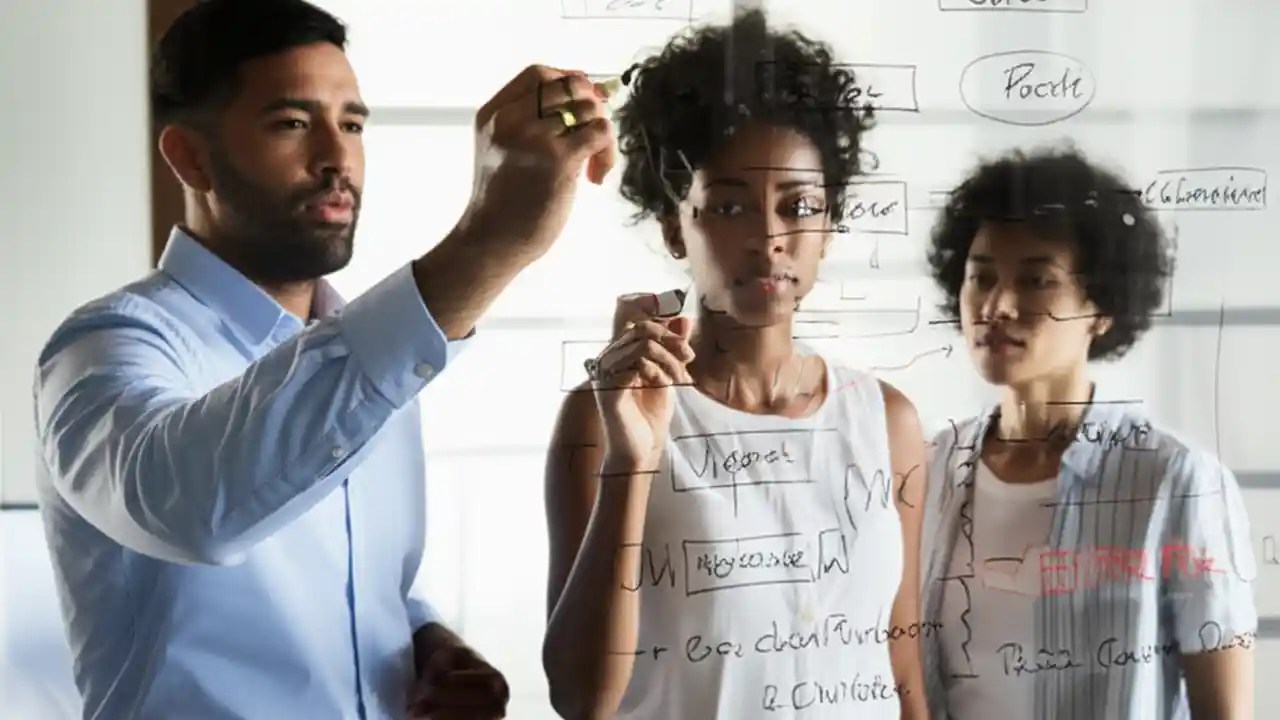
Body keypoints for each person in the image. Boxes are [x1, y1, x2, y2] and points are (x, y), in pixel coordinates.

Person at [31, 0, 617, 718]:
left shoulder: (370, 351)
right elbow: (193, 509)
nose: (337, 160)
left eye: (352, 125)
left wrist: (424, 641)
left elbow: (348, 575)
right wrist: (487, 244)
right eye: (292, 123)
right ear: (190, 156)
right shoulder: (104, 350)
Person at [541, 10, 931, 719]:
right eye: (728, 206)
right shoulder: (604, 419)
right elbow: (579, 699)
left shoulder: (887, 421)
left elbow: (900, 668)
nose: (769, 237)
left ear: (828, 225)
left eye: (799, 205)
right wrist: (633, 458)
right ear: (673, 226)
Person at [919, 145, 1257, 719]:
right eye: (981, 278)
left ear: (1101, 309)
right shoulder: (931, 467)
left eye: (1036, 282)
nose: (998, 306)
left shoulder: (1175, 480)